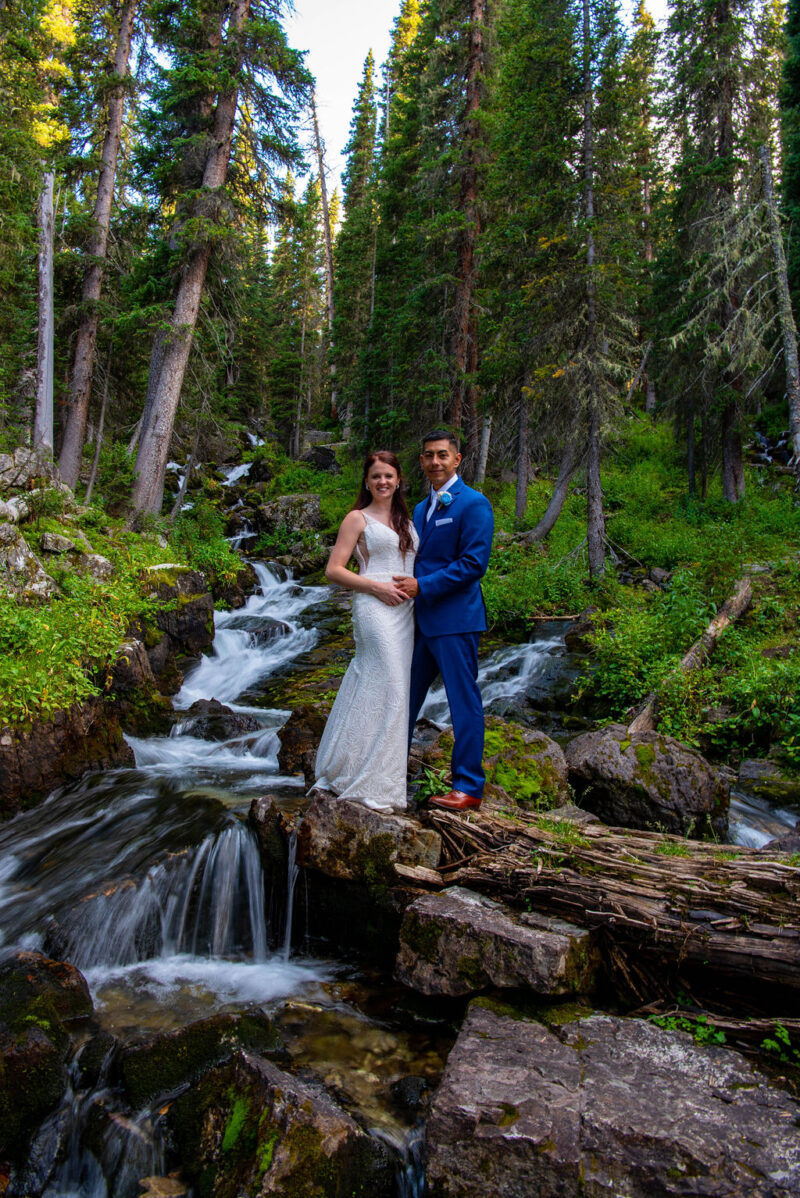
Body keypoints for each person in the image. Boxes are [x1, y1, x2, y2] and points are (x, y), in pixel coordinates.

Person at [393, 430, 494, 811]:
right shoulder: (420, 509)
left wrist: (423, 586)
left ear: (458, 459)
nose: (435, 462)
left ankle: (468, 786)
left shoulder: (474, 504)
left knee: (462, 702)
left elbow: (473, 565)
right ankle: (388, 771)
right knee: (403, 699)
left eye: (442, 455)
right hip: (418, 622)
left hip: (456, 621)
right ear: (421, 461)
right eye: (428, 456)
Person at [313, 450, 418, 812]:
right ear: (367, 481)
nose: (383, 482)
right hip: (374, 605)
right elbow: (333, 570)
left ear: (398, 479)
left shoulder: (408, 518)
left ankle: (367, 771)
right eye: (376, 476)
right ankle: (368, 781)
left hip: (406, 610)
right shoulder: (356, 519)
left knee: (388, 686)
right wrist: (376, 587)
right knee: (389, 680)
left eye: (388, 475)